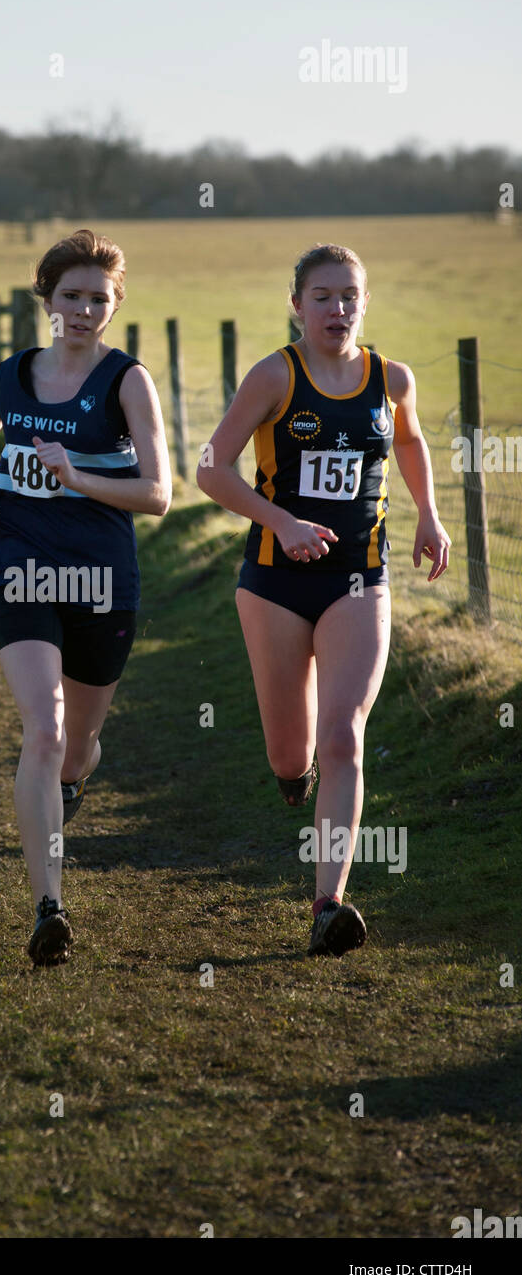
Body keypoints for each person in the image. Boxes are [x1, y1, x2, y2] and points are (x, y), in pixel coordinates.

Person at [196, 243, 451, 958]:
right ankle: (290, 774)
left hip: (357, 581)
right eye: (322, 297)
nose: (336, 309)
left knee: (343, 737)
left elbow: (408, 440)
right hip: (273, 585)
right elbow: (209, 468)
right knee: (292, 751)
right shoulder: (274, 376)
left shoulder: (389, 379)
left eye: (348, 296)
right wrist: (278, 520)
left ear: (362, 304)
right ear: (296, 305)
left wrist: (428, 514)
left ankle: (327, 903)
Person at [0, 228, 172, 967]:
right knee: (40, 729)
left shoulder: (126, 381)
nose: (82, 309)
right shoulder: (9, 377)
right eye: (70, 295)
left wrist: (76, 476)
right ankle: (48, 905)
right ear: (47, 299)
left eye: (97, 298)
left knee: (76, 746)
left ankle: (71, 780)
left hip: (102, 574)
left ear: (113, 306)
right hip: (22, 566)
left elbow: (158, 494)